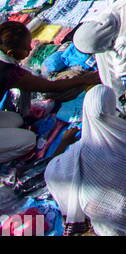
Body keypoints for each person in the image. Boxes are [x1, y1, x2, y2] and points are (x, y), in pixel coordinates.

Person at [44, 85, 126, 237]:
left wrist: (63, 142)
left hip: (121, 226)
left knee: (74, 183)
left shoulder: (81, 151)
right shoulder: (125, 130)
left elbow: (50, 172)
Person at [0, 21, 100, 160]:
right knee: (28, 141)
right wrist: (84, 79)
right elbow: (50, 87)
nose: (30, 50)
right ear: (10, 52)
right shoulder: (8, 72)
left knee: (16, 120)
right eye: (26, 49)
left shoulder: (8, 66)